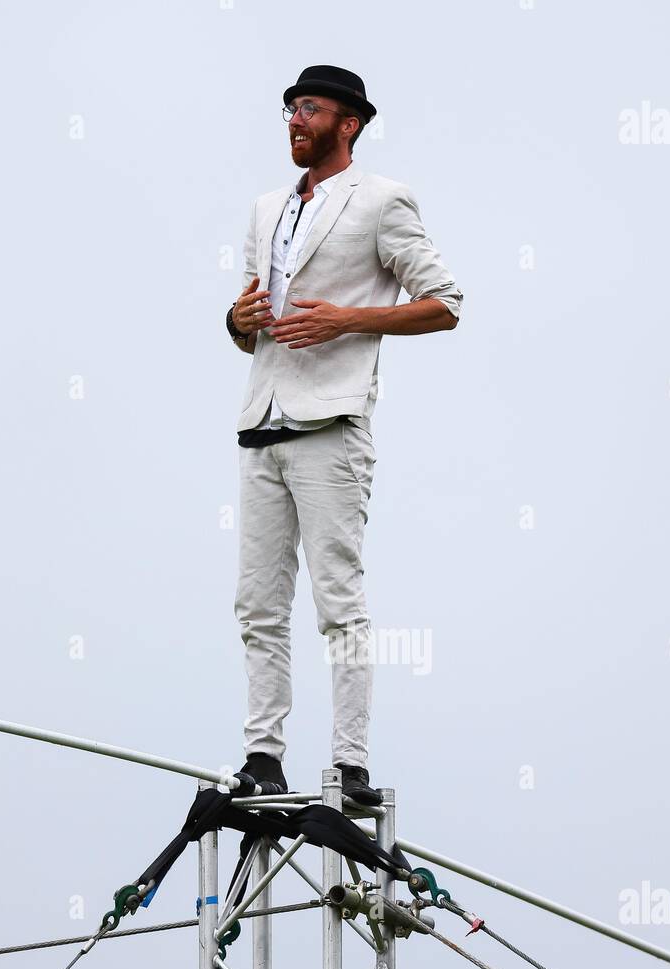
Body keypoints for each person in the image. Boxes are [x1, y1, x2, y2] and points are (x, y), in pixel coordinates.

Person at [227, 64, 462, 804]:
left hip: (332, 422)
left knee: (339, 601)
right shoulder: (267, 207)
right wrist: (235, 322)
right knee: (257, 604)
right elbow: (252, 326)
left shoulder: (383, 200)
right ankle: (263, 754)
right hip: (263, 418)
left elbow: (445, 302)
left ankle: (350, 761)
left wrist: (348, 318)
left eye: (310, 108)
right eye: (290, 108)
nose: (295, 118)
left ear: (348, 122)